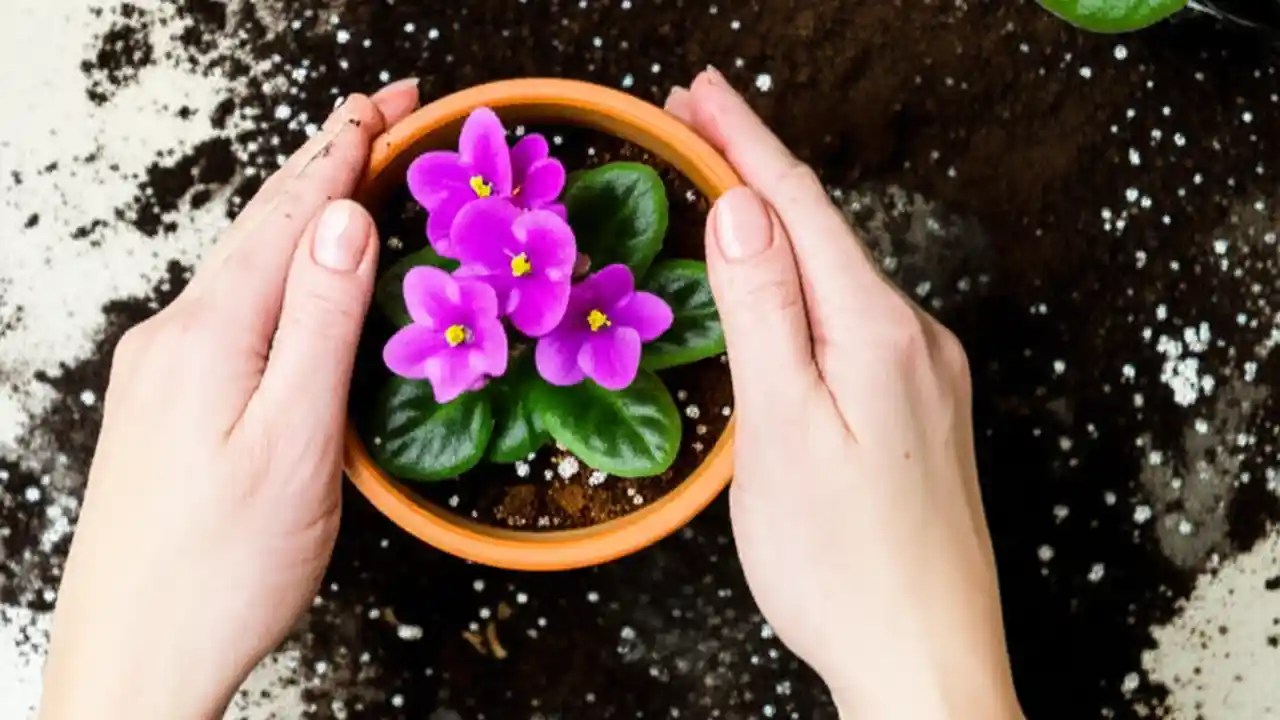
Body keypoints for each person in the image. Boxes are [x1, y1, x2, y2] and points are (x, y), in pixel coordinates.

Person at [38, 70, 1025, 719]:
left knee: (608, 304)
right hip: (517, 318)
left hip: (570, 308)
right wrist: (928, 683)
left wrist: (120, 683)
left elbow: (573, 317)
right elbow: (509, 339)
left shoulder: (554, 290)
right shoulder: (474, 302)